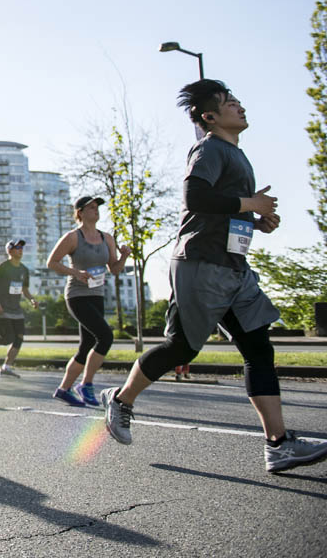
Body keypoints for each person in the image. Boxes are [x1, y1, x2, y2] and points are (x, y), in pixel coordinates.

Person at [102, 80, 327, 472]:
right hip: (201, 264)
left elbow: (219, 210)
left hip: (234, 268)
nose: (239, 106)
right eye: (230, 102)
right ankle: (121, 400)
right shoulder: (208, 148)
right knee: (182, 349)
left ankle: (278, 444)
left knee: (259, 349)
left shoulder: (234, 153)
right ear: (210, 116)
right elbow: (196, 198)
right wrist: (249, 202)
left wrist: (254, 220)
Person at [46, 196, 131, 406]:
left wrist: (124, 256)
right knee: (105, 336)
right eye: (91, 208)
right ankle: (86, 384)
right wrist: (75, 272)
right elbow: (52, 262)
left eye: (97, 207)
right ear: (80, 213)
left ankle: (64, 389)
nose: (96, 211)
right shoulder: (73, 237)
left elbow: (115, 269)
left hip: (97, 295)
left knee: (87, 345)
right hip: (77, 296)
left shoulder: (107, 238)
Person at [0, 239, 40, 377]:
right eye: (17, 247)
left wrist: (32, 299)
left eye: (22, 248)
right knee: (7, 338)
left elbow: (25, 290)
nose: (20, 250)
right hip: (2, 308)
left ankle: (6, 367)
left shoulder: (24, 270)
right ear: (9, 251)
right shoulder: (3, 267)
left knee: (19, 337)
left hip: (16, 310)